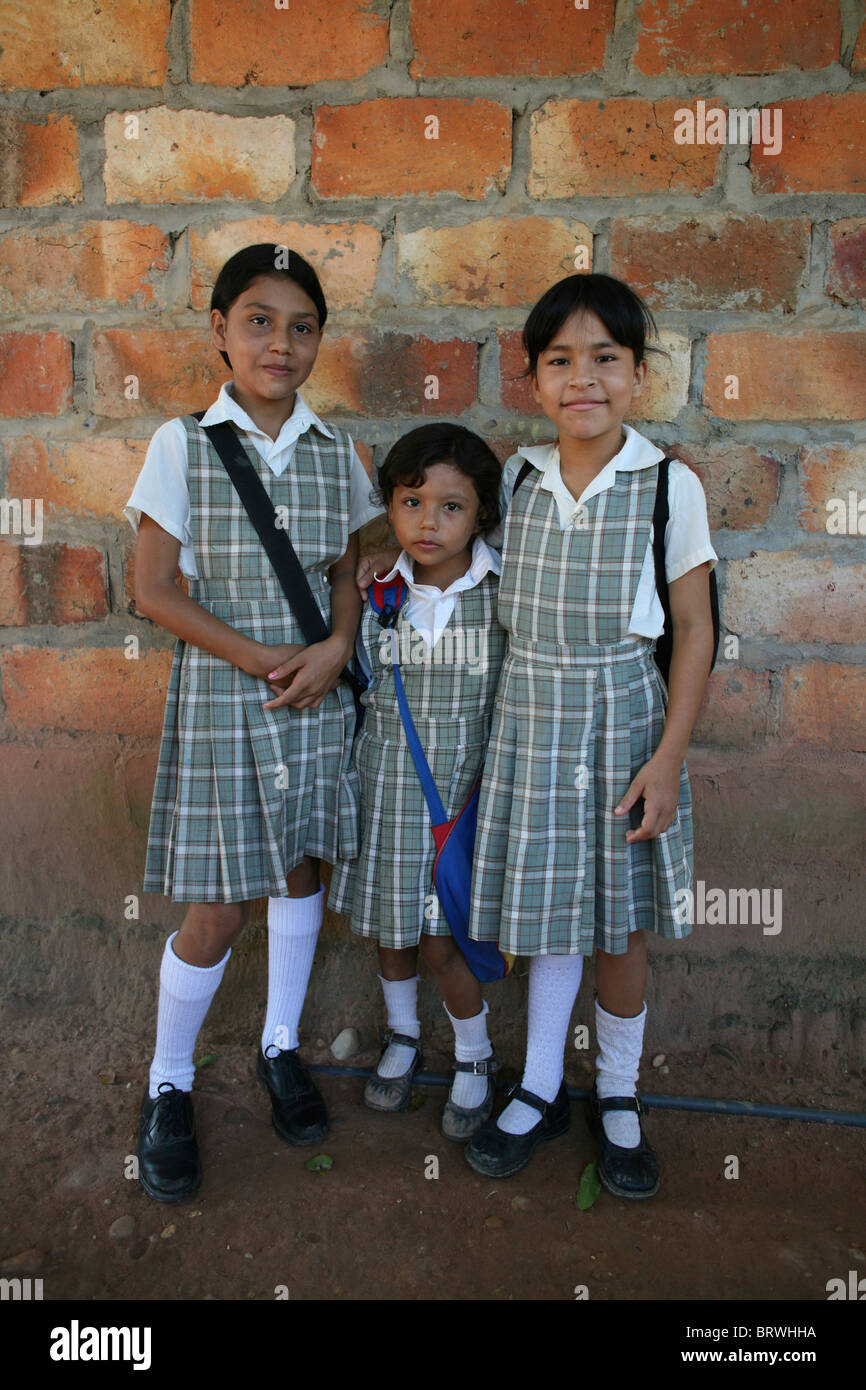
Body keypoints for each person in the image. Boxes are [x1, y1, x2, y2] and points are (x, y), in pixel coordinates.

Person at [124, 243, 382, 1201]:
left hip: (314, 695)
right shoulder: (182, 444)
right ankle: (169, 1081)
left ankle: (280, 1047)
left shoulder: (333, 450)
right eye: (260, 321)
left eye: (303, 325)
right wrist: (271, 661)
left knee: (300, 866)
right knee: (222, 900)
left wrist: (336, 647)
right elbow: (153, 590)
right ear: (220, 331)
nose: (282, 342)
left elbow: (346, 571)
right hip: (235, 698)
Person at [462, 273, 717, 1196]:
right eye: (560, 361)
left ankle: (617, 1093)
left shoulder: (665, 486)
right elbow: (437, 542)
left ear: (638, 375)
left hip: (621, 727)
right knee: (544, 917)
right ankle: (535, 1086)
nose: (584, 379)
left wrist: (667, 758)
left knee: (619, 922)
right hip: (530, 720)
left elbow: (694, 629)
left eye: (605, 359)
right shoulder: (516, 480)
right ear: (533, 381)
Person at [328, 424, 507, 1140]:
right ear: (389, 507)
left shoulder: (504, 595)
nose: (427, 523)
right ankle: (402, 1036)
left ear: (483, 514)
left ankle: (474, 1056)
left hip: (462, 802)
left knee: (444, 943)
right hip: (386, 793)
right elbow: (359, 685)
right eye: (410, 502)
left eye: (451, 507)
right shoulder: (377, 595)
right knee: (391, 930)